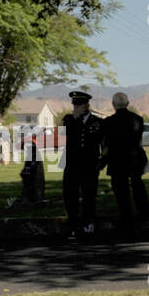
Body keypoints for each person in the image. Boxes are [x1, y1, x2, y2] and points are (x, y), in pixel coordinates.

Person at [103, 92, 149, 236]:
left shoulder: (108, 122)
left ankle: (126, 218)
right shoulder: (138, 119)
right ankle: (144, 216)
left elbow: (107, 143)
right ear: (128, 103)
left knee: (120, 190)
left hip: (117, 160)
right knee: (138, 187)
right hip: (135, 159)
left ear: (113, 105)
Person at [60, 90, 104, 240]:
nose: (76, 107)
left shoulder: (97, 122)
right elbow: (64, 136)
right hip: (72, 165)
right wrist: (76, 118)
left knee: (89, 195)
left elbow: (104, 144)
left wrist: (102, 161)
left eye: (79, 104)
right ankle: (72, 225)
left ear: (87, 105)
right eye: (75, 104)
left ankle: (88, 223)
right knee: (69, 195)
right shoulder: (68, 120)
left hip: (90, 165)